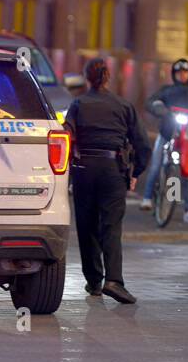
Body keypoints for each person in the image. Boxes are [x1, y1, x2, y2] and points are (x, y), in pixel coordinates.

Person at [64, 58, 151, 304]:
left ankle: (93, 281)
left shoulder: (78, 104)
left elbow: (67, 135)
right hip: (113, 169)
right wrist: (135, 173)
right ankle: (114, 280)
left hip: (84, 169)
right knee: (111, 225)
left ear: (86, 77)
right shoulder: (123, 106)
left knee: (86, 224)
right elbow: (143, 145)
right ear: (108, 76)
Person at [140, 58, 188, 224]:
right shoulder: (166, 90)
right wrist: (158, 108)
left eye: (185, 72)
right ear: (173, 74)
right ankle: (147, 198)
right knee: (155, 165)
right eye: (178, 72)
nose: (182, 75)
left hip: (187, 137)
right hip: (167, 133)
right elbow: (151, 102)